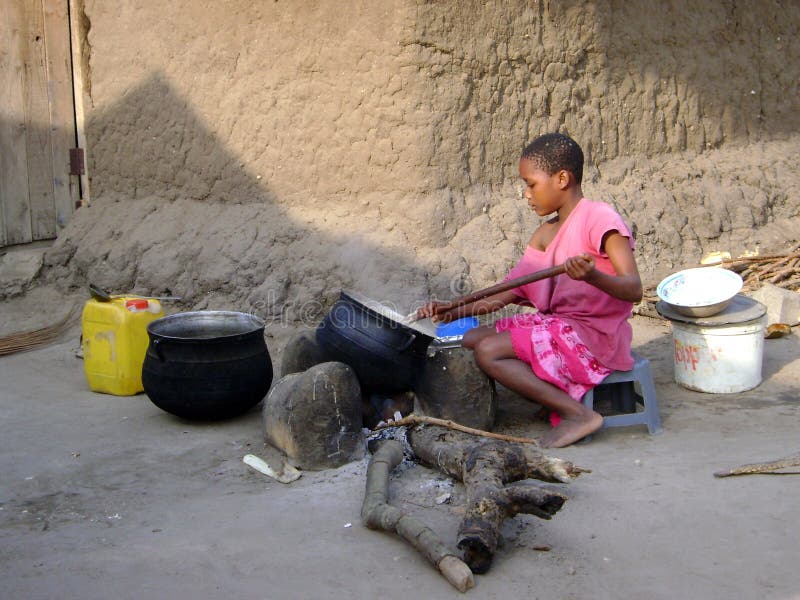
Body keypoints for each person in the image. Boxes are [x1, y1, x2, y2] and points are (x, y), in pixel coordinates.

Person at [416, 133, 642, 448]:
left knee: (489, 351)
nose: (526, 194)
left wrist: (593, 277)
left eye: (531, 184)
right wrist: (450, 310)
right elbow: (507, 293)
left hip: (592, 336)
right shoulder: (544, 234)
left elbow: (634, 289)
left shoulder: (598, 218)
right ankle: (552, 397)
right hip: (560, 328)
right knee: (471, 338)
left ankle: (577, 414)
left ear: (562, 178)